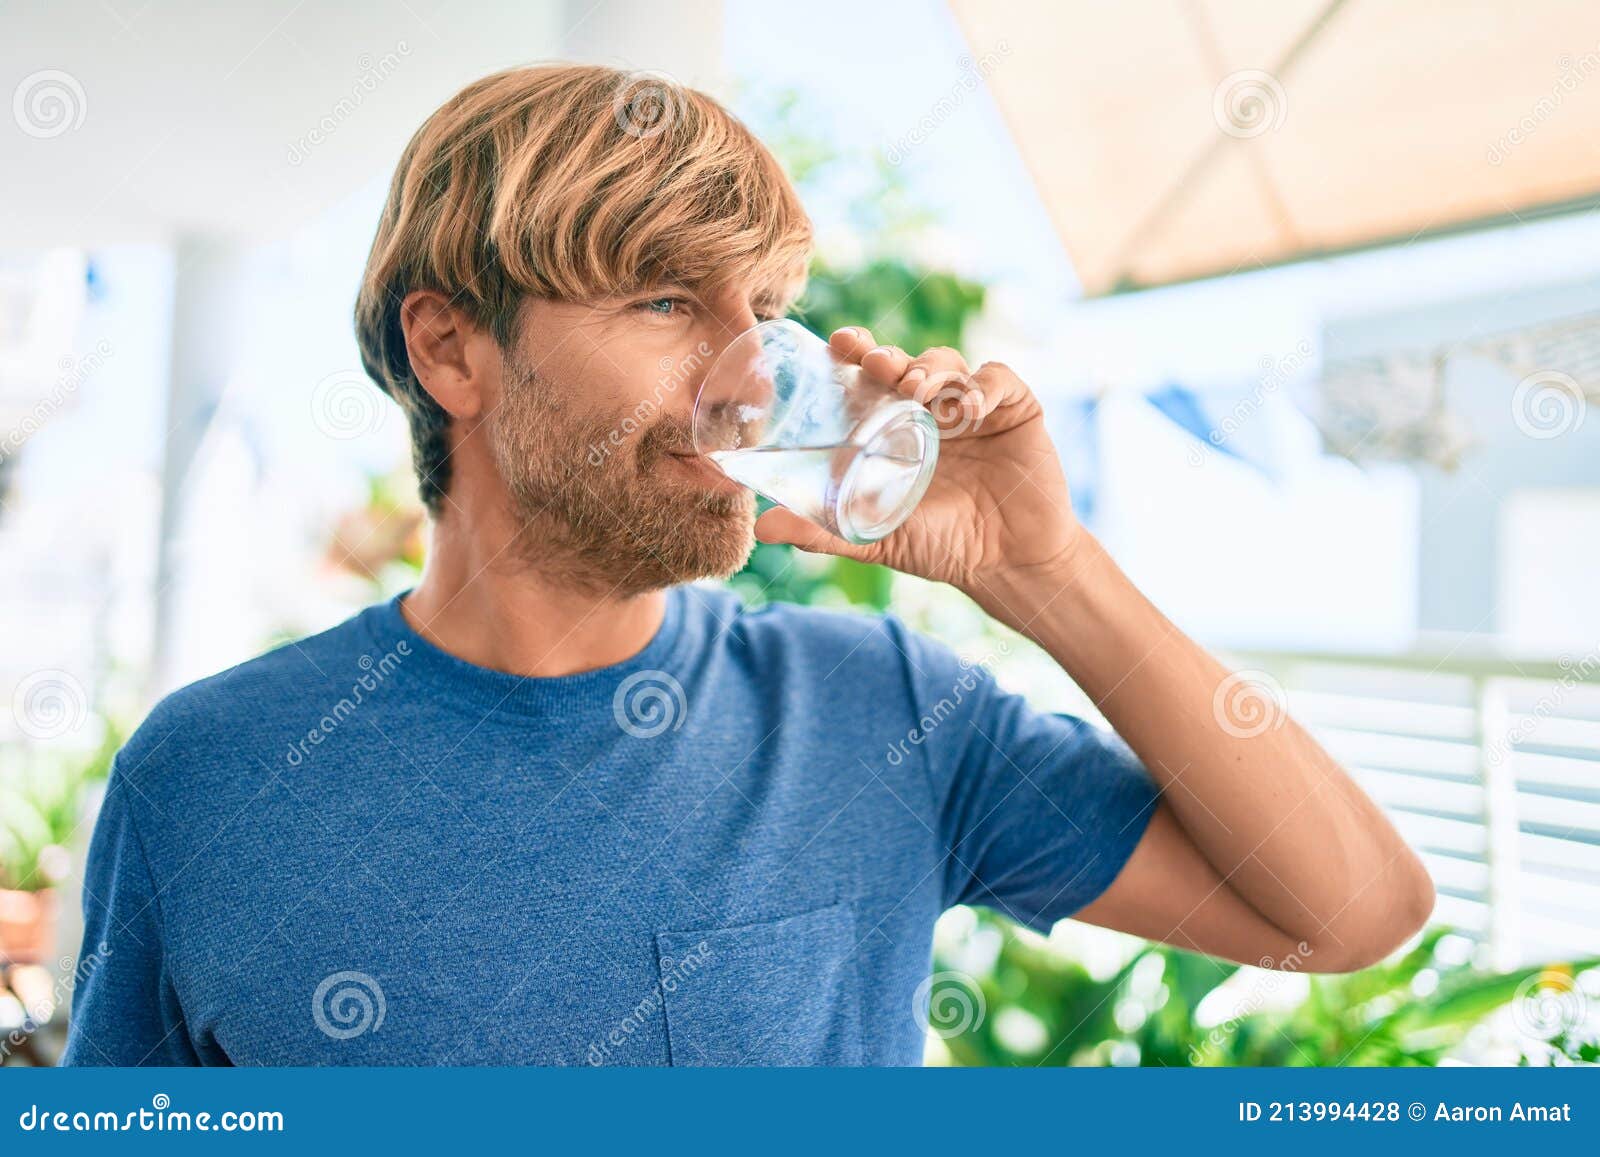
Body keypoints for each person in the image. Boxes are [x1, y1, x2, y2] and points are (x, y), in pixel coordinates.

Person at [62, 64, 1432, 1066]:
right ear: (450, 350)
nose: (756, 382)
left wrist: (1044, 565)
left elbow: (1356, 911)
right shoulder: (207, 775)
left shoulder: (881, 708)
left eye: (763, 312)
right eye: (664, 299)